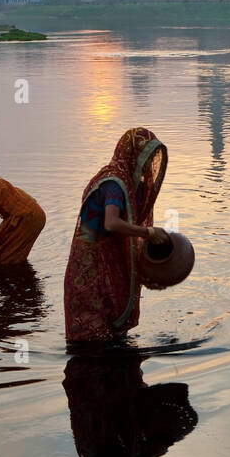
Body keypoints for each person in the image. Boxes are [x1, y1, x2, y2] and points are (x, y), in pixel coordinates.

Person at [64, 127, 169, 343]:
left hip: (109, 254)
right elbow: (111, 223)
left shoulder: (129, 183)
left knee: (113, 316)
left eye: (151, 159)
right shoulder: (113, 183)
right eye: (145, 158)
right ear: (132, 155)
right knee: (91, 326)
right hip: (91, 260)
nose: (148, 165)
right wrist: (148, 233)